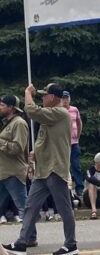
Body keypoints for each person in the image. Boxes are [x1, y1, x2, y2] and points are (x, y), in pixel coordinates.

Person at [3, 83, 78, 255]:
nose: (42, 97)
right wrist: (35, 153)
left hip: (56, 168)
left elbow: (32, 111)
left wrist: (27, 93)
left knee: (64, 208)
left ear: (53, 97)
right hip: (43, 170)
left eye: (45, 95)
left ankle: (71, 245)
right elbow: (44, 138)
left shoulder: (60, 113)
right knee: (30, 206)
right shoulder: (51, 116)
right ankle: (22, 242)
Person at [0, 96, 29, 230]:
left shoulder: (19, 123)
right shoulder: (8, 123)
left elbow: (18, 148)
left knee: (23, 208)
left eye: (2, 105)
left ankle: (30, 237)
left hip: (13, 174)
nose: (0, 107)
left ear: (11, 107)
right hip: (3, 172)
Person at [62, 91, 84, 197]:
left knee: (76, 166)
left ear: (69, 99)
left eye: (67, 98)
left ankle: (79, 187)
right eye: (63, 98)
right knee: (63, 166)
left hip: (74, 143)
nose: (65, 100)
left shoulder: (74, 109)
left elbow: (79, 123)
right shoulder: (59, 111)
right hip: (63, 144)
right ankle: (64, 187)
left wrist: (78, 136)